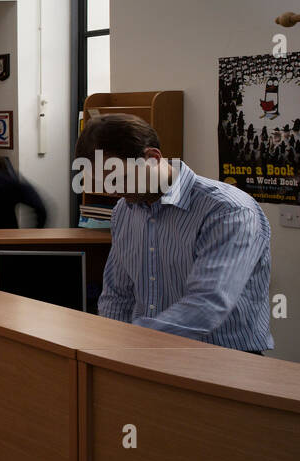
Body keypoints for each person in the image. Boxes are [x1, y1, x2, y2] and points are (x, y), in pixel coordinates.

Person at [77, 112, 273, 353]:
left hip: (222, 360)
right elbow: (118, 294)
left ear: (152, 157)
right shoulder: (124, 211)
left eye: (120, 179)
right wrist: (108, 347)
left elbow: (207, 305)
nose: (112, 191)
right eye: (104, 182)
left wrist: (132, 340)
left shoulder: (228, 211)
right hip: (144, 353)